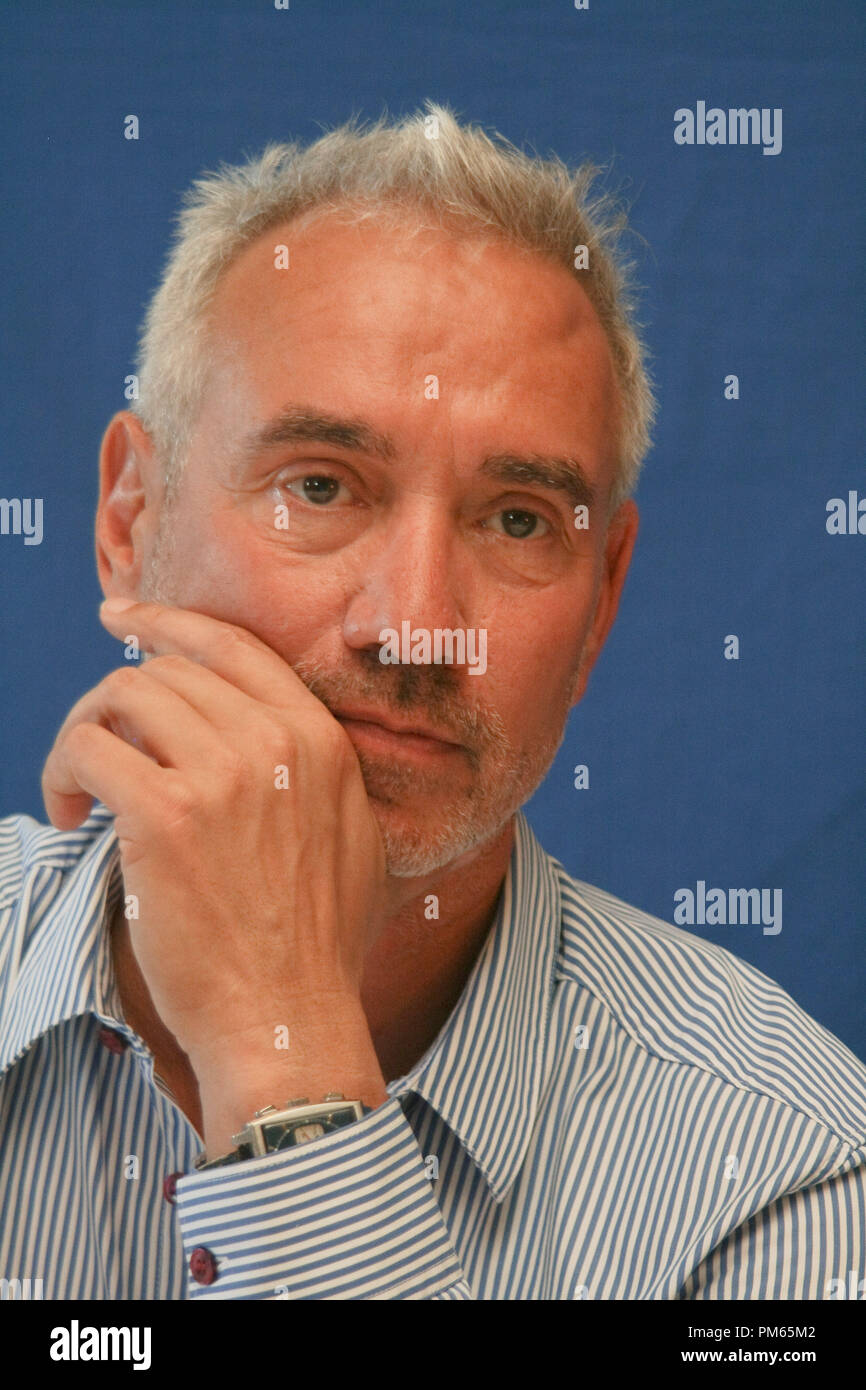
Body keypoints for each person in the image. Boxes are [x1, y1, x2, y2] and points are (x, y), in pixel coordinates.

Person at [1, 104, 863, 1301]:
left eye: (515, 518)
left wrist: (284, 1062)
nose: (412, 623)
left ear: (602, 600)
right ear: (128, 522)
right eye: (321, 485)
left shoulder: (781, 1171)